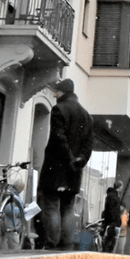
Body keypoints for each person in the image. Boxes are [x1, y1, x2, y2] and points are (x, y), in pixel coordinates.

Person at [37, 79, 93, 250]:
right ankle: (66, 242)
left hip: (56, 167)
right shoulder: (86, 115)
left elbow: (58, 137)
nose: (54, 95)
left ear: (62, 93)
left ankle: (52, 242)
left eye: (56, 92)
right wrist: (79, 160)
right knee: (68, 207)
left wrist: (68, 157)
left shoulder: (59, 109)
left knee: (51, 204)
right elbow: (89, 143)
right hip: (74, 170)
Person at [101, 183, 123, 253]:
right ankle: (107, 252)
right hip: (113, 222)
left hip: (109, 221)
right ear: (119, 187)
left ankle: (106, 251)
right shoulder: (114, 197)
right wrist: (116, 220)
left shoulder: (110, 195)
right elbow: (113, 210)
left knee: (110, 239)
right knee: (111, 239)